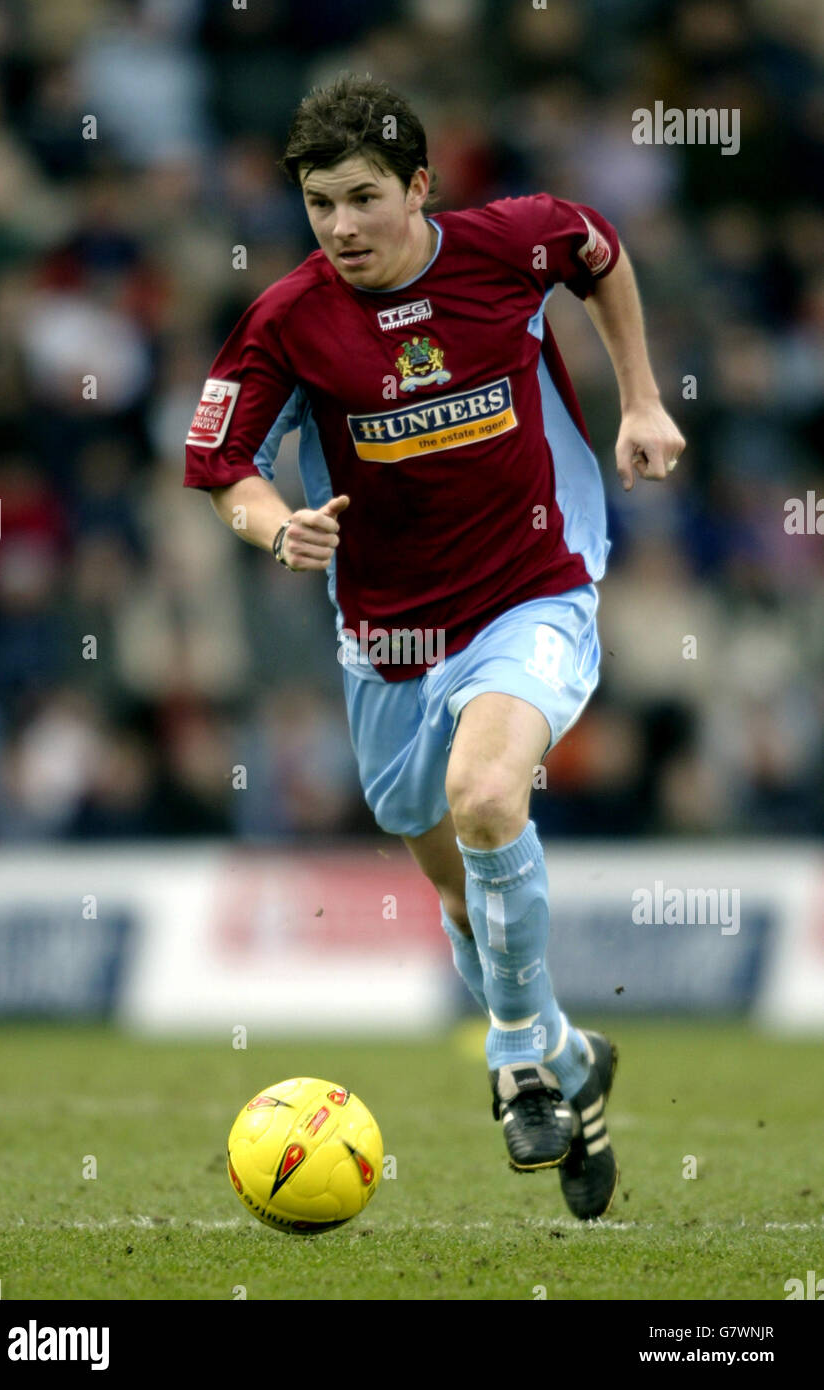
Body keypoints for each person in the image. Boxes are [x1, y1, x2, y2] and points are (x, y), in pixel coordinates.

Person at [184, 74, 686, 1220]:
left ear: (418, 186)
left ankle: (513, 1056)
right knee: (461, 894)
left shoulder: (507, 245)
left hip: (533, 588)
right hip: (387, 642)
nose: (341, 227)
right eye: (318, 204)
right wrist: (278, 527)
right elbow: (220, 464)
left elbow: (596, 250)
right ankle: (568, 1059)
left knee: (485, 794)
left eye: (362, 197)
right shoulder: (289, 318)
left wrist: (640, 401)